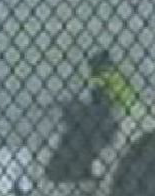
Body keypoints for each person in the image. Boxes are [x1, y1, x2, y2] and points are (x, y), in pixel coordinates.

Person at [49, 51, 138, 182]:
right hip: (130, 112)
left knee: (90, 136)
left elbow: (99, 100)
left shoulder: (100, 78)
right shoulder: (117, 75)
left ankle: (84, 170)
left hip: (116, 114)